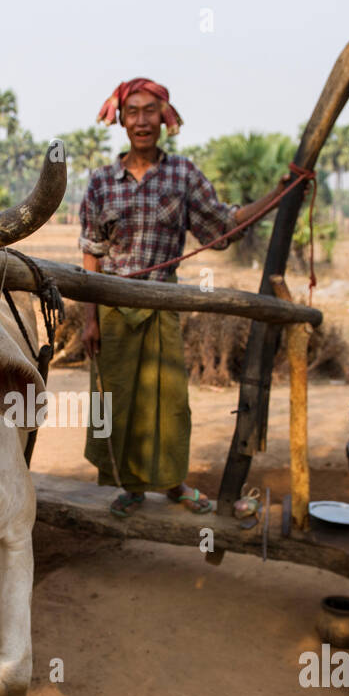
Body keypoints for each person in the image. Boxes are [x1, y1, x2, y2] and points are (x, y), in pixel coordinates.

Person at [79, 77, 284, 518]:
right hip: (111, 307)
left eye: (149, 111)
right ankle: (129, 487)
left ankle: (174, 484)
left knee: (169, 402)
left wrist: (278, 194)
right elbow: (91, 253)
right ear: (120, 119)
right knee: (113, 401)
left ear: (164, 118)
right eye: (132, 111)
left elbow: (223, 226)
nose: (141, 120)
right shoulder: (100, 183)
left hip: (162, 306)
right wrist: (89, 319)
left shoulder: (183, 174)